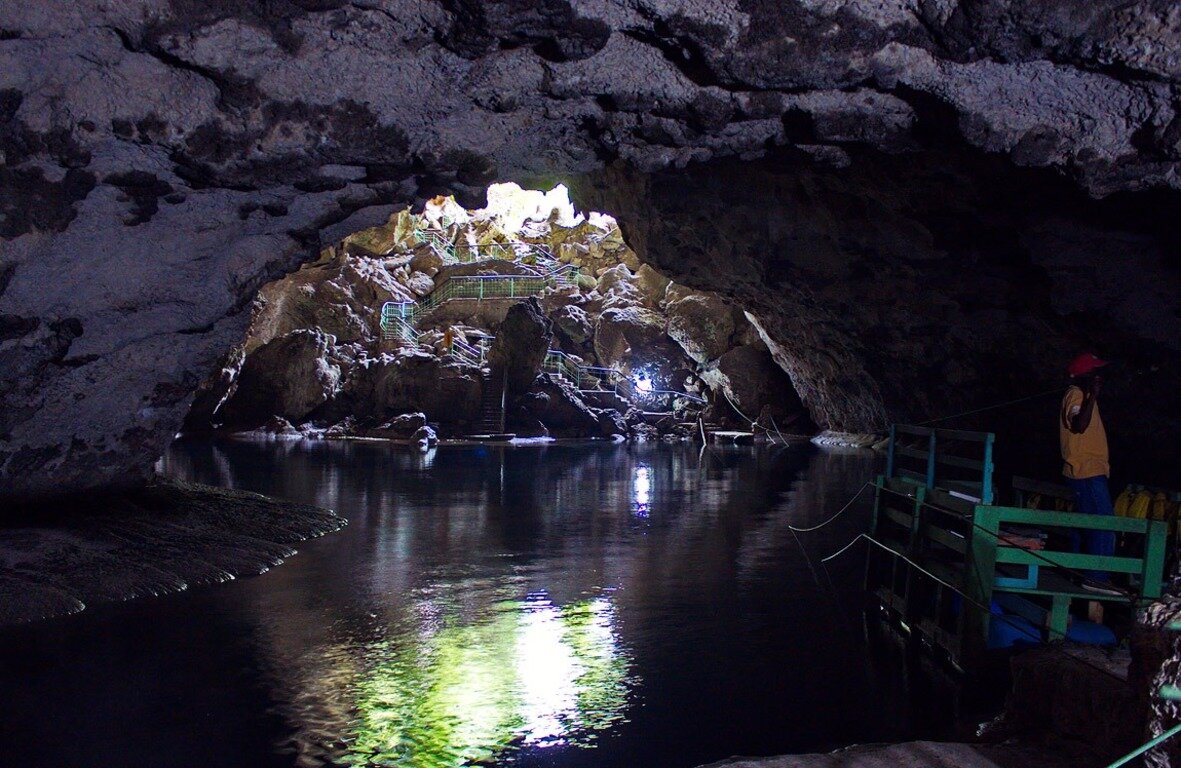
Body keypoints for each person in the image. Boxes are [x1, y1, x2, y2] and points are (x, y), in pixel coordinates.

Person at [1059, 352, 1121, 596]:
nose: (1099, 376)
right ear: (1084, 376)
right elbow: (1079, 425)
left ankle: (1078, 572)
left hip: (1085, 470)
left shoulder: (1081, 396)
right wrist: (1092, 394)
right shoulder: (1077, 395)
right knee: (1104, 522)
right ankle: (1097, 578)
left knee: (1085, 523)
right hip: (1086, 470)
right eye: (1095, 372)